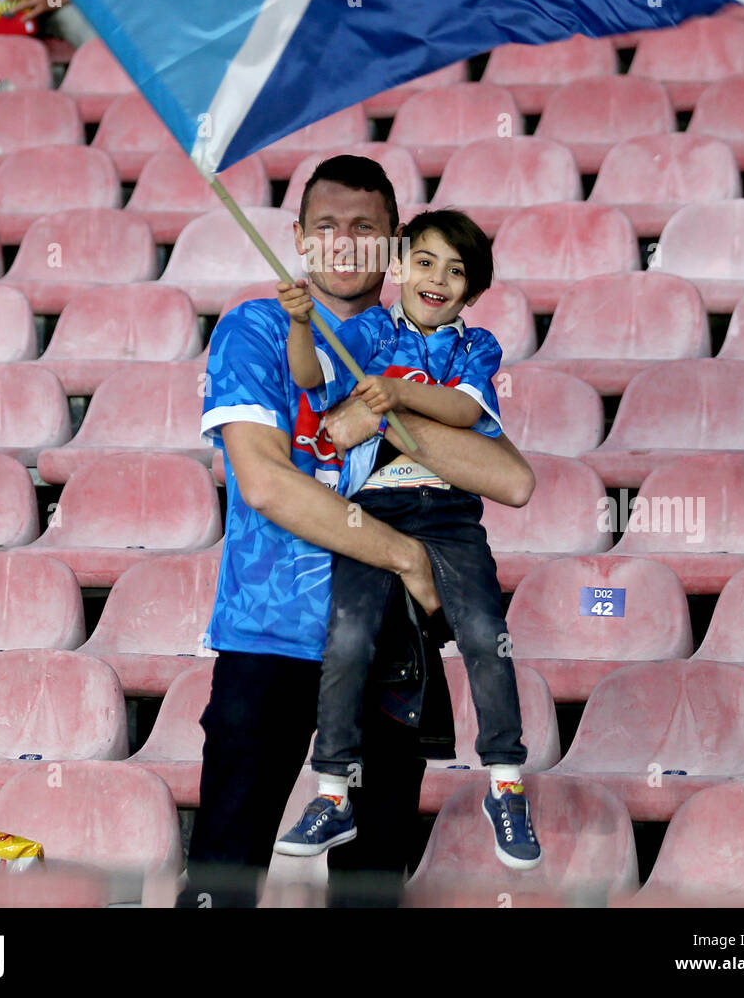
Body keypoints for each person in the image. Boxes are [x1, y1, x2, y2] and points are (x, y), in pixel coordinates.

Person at [182, 156, 535, 907]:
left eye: (364, 229)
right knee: (222, 877)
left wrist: (391, 410)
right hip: (269, 638)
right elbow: (268, 484)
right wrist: (406, 555)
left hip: (390, 651)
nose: (343, 244)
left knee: (370, 892)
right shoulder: (256, 328)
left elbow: (507, 478)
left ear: (393, 245)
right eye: (325, 227)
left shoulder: (432, 343)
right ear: (301, 239)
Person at [273, 209, 540, 870]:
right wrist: (302, 324)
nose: (438, 279)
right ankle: (332, 791)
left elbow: (465, 411)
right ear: (397, 269)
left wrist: (391, 393)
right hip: (374, 508)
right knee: (349, 634)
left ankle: (505, 782)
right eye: (425, 262)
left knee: (484, 633)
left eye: (456, 272)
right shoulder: (364, 330)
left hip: (448, 512)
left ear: (472, 292)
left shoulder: (476, 346)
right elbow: (313, 381)